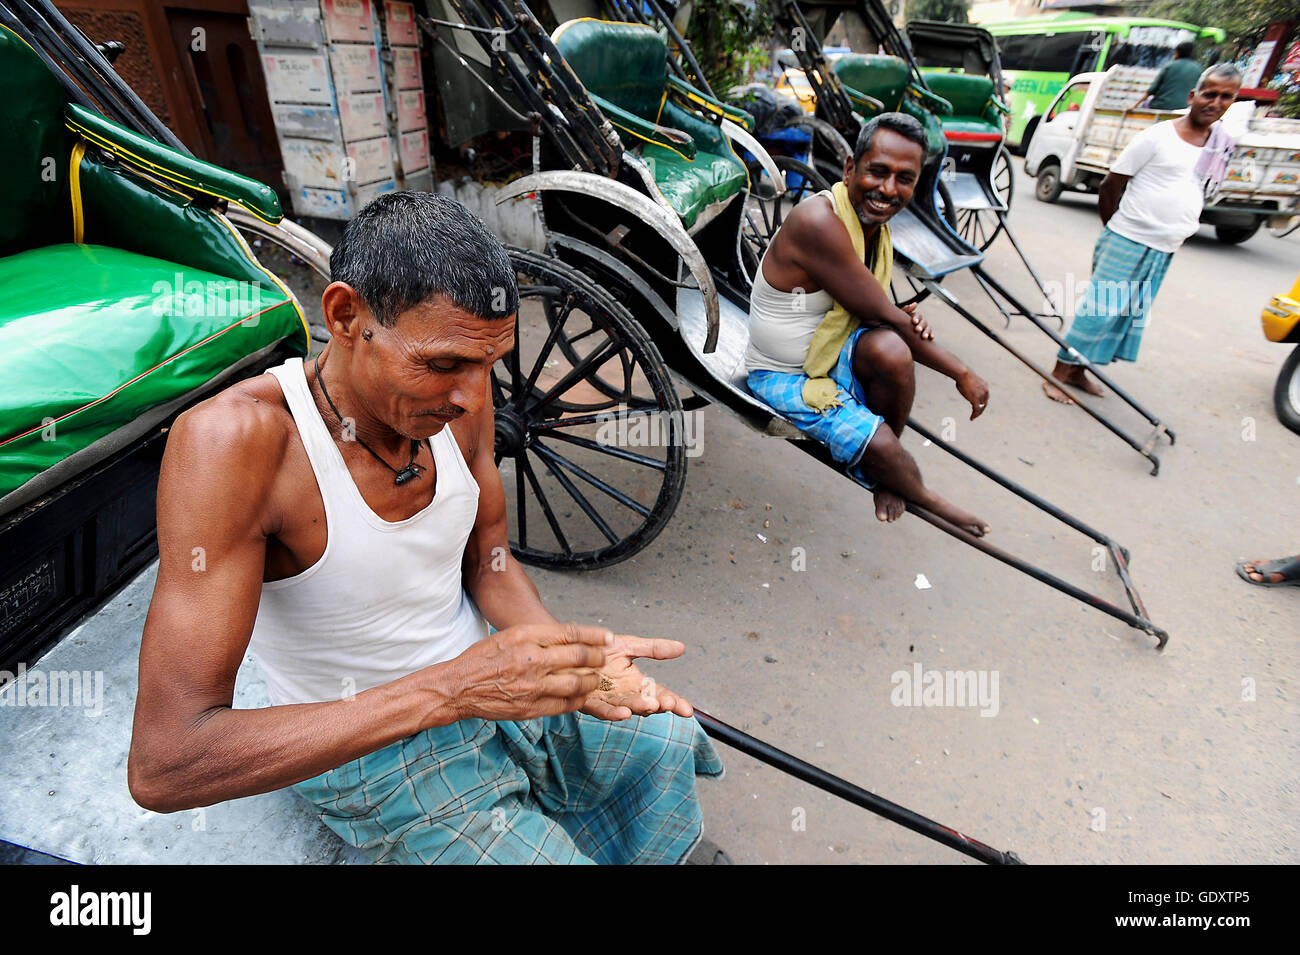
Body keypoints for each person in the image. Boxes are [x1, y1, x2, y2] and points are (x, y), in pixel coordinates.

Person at [127, 192, 723, 864]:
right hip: (364, 744)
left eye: (490, 361)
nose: (476, 396)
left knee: (665, 734)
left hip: (480, 682)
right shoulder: (236, 444)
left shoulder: (457, 396)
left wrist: (567, 659)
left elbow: (487, 562)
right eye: (443, 363)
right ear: (346, 316)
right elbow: (166, 760)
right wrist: (452, 688)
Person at [746, 112, 992, 537]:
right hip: (783, 373)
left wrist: (900, 317)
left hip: (830, 349)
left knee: (893, 351)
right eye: (877, 172)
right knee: (888, 354)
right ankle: (916, 489)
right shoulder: (820, 221)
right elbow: (881, 312)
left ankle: (885, 471)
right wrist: (961, 372)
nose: (888, 189)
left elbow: (877, 308)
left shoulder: (873, 224)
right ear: (849, 168)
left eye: (904, 178)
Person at [1043, 64, 1243, 404]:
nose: (1216, 102)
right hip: (1128, 238)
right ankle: (1060, 374)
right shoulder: (1157, 137)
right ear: (1193, 96)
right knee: (1099, 310)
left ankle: (1079, 371)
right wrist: (1117, 230)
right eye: (1210, 93)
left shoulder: (1219, 144)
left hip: (1165, 245)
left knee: (1122, 314)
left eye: (1226, 96)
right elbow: (1111, 186)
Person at [1140, 41, 1202, 110]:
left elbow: (1152, 90)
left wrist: (1135, 105)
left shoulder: (1170, 66)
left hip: (1160, 105)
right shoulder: (1198, 69)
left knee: (1144, 105)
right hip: (1184, 108)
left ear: (1178, 53)